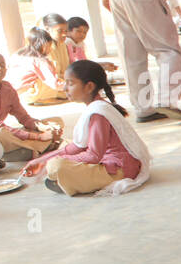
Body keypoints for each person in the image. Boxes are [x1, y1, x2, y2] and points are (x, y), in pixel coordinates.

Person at [22, 60, 151, 196]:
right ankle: (72, 181)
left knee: (57, 166)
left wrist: (54, 161)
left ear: (89, 87)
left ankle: (74, 182)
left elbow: (94, 155)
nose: (65, 88)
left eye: (70, 83)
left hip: (120, 171)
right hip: (114, 165)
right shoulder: (95, 108)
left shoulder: (98, 113)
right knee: (56, 162)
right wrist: (40, 161)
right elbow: (76, 147)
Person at [0, 49, 62, 161]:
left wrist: (40, 127)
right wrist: (39, 136)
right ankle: (38, 147)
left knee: (56, 121)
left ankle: (30, 150)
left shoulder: (7, 88)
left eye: (2, 65)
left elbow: (23, 117)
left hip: (7, 137)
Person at [6, 29, 66, 105]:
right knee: (50, 77)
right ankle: (44, 98)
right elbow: (53, 82)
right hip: (30, 94)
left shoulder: (17, 55)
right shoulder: (39, 61)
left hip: (15, 94)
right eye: (49, 46)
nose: (50, 49)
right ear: (42, 46)